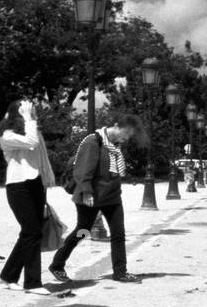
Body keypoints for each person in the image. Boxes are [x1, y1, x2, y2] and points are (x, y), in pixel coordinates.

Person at [49, 114, 142, 284]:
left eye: (129, 135)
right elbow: (83, 170)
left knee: (118, 233)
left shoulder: (115, 146)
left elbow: (113, 172)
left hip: (112, 197)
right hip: (91, 196)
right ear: (116, 125)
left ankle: (120, 272)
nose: (126, 138)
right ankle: (57, 264)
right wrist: (86, 191)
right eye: (126, 133)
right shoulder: (93, 141)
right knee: (82, 231)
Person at [0, 101, 56, 293]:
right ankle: (33, 283)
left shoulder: (32, 129)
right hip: (18, 186)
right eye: (30, 111)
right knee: (31, 231)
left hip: (36, 184)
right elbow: (32, 143)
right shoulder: (6, 136)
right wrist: (29, 118)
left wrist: (47, 179)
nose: (34, 114)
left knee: (31, 232)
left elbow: (42, 156)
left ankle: (8, 275)